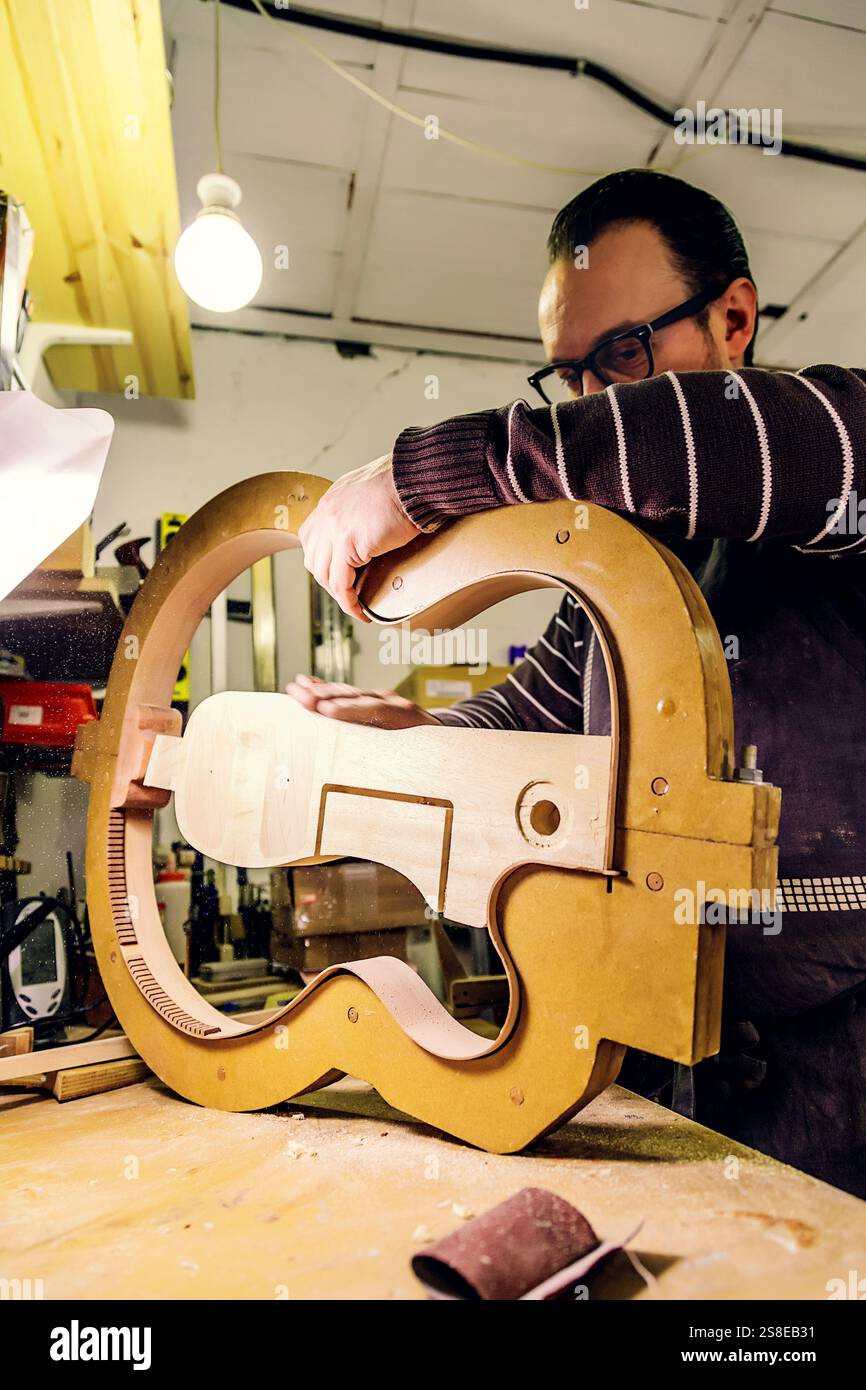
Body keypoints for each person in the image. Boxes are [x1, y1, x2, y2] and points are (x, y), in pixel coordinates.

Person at [287, 169, 866, 1197]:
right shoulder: (619, 575)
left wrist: (416, 479)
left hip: (843, 1088)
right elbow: (536, 715)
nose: (600, 397)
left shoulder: (833, 447)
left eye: (625, 353)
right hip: (663, 1066)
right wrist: (423, 735)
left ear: (734, 316)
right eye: (572, 374)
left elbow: (705, 437)